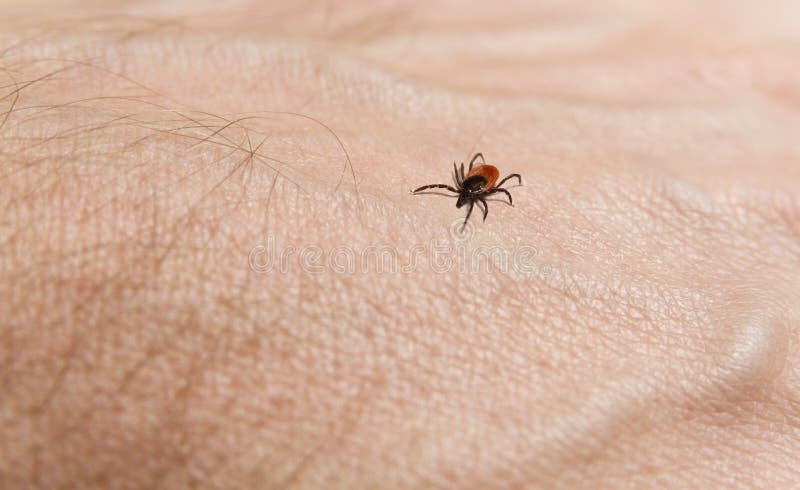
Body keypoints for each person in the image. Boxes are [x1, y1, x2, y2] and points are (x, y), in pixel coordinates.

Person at [1, 1, 798, 488]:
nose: (468, 191)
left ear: (479, 187)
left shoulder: (485, 186)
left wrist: (485, 194)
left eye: (472, 190)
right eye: (467, 189)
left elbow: (494, 177)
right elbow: (476, 173)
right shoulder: (468, 180)